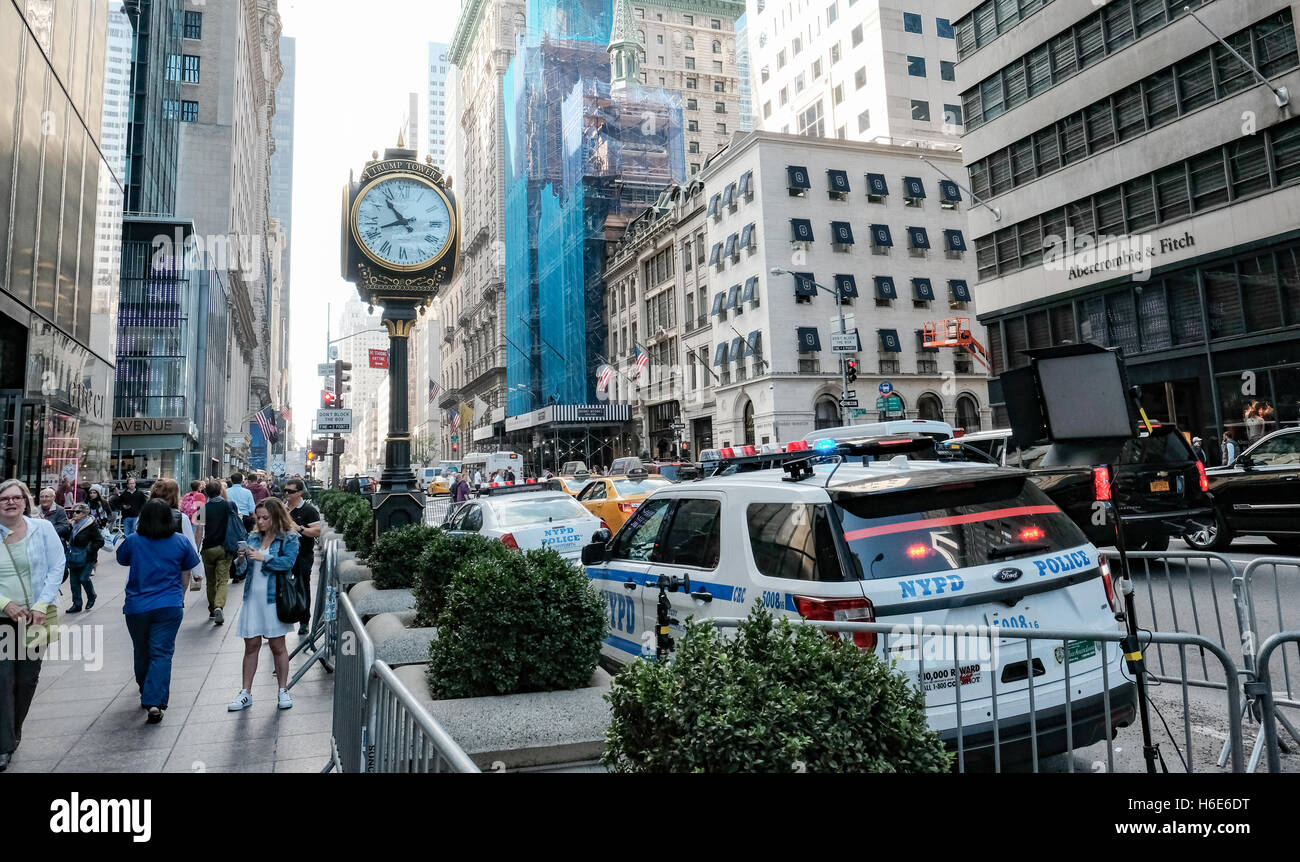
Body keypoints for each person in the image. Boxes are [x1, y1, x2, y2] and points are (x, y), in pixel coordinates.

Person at [0, 479, 65, 771]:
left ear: (25, 501)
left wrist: (41, 604)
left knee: (26, 681)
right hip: (3, 618)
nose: (10, 502)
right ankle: (3, 744)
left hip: (36, 618)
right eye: (4, 498)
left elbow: (57, 566)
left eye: (16, 497)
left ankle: (12, 733)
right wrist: (5, 603)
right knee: (3, 681)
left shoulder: (43, 529)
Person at [116, 500, 200, 724]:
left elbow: (121, 559)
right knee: (161, 653)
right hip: (169, 604)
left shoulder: (134, 541)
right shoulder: (180, 541)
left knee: (141, 651)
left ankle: (146, 691)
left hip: (137, 605)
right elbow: (189, 566)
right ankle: (154, 700)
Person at [228, 498, 300, 712]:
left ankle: (283, 690)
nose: (259, 521)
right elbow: (241, 572)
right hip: (252, 598)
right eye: (257, 517)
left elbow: (288, 563)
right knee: (251, 646)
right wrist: (240, 560)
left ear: (276, 517)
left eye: (264, 518)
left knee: (278, 646)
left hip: (273, 599)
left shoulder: (289, 538)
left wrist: (263, 558)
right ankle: (245, 692)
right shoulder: (253, 537)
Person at [193, 480, 237, 624]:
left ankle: (212, 608)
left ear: (206, 493)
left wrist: (197, 548)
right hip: (224, 547)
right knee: (223, 580)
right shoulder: (228, 506)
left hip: (208, 548)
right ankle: (219, 606)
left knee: (210, 581)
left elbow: (199, 531)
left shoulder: (203, 508)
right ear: (220, 491)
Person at [283, 478, 322, 636]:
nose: (287, 494)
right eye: (285, 491)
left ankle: (304, 621)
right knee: (280, 587)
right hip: (283, 555)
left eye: (291, 491)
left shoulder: (309, 510)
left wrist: (299, 529)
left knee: (302, 586)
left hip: (303, 555)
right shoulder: (282, 509)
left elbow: (317, 532)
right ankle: (281, 619)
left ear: (300, 492)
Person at [65, 503, 104, 613]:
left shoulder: (90, 525)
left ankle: (92, 596)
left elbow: (100, 541)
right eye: (73, 512)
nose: (74, 514)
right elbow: (67, 537)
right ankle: (77, 604)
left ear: (85, 514)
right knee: (74, 582)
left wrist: (89, 550)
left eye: (77, 512)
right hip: (74, 556)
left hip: (88, 557)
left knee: (83, 578)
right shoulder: (72, 525)